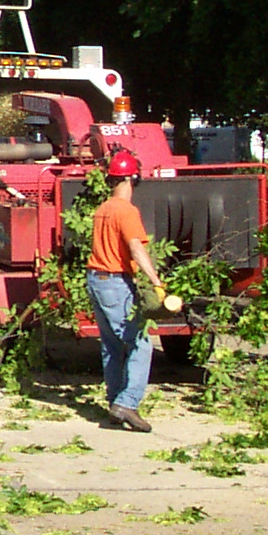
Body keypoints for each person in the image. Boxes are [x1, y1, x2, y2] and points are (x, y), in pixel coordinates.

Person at [87, 150, 167, 432]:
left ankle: (115, 402)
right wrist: (156, 281)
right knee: (141, 344)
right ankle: (128, 402)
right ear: (133, 178)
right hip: (115, 282)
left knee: (111, 345)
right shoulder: (126, 211)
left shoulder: (103, 208)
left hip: (96, 279)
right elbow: (135, 248)